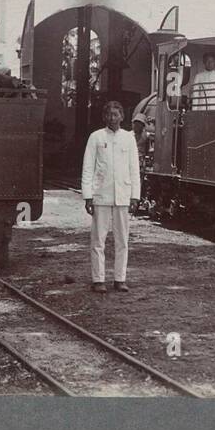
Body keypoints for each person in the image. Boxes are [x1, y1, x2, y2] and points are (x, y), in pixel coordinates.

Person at [82, 101, 141, 293]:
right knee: (98, 240)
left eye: (116, 115)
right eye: (109, 115)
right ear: (104, 117)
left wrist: (135, 196)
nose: (112, 118)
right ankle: (98, 280)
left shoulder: (128, 139)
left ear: (122, 117)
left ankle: (119, 279)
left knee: (122, 240)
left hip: (123, 196)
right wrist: (88, 196)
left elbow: (134, 170)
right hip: (101, 195)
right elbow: (88, 167)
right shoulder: (96, 137)